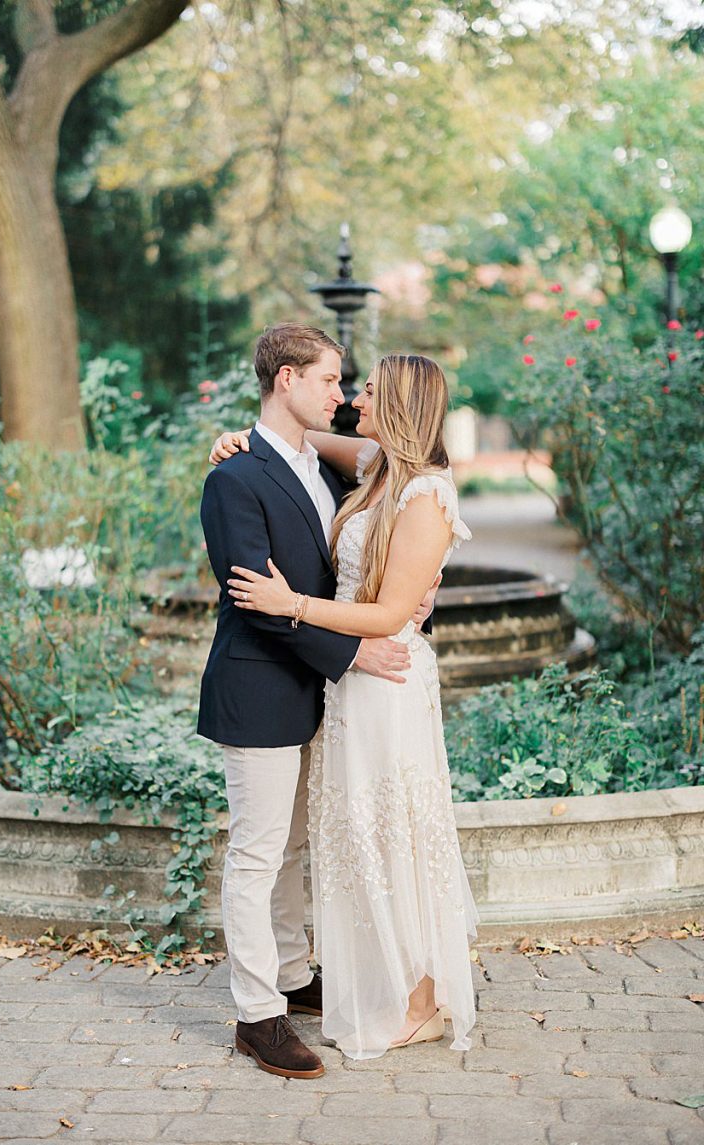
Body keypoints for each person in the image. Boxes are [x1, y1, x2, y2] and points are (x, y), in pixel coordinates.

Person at [214, 351, 479, 1061]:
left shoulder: (425, 491)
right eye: (339, 383)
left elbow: (391, 612)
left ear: (397, 403)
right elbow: (295, 438)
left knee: (399, 838)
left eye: (364, 389)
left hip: (386, 683)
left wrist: (291, 603)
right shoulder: (375, 463)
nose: (352, 398)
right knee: (355, 838)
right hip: (345, 686)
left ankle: (422, 1003)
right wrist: (237, 439)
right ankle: (350, 985)